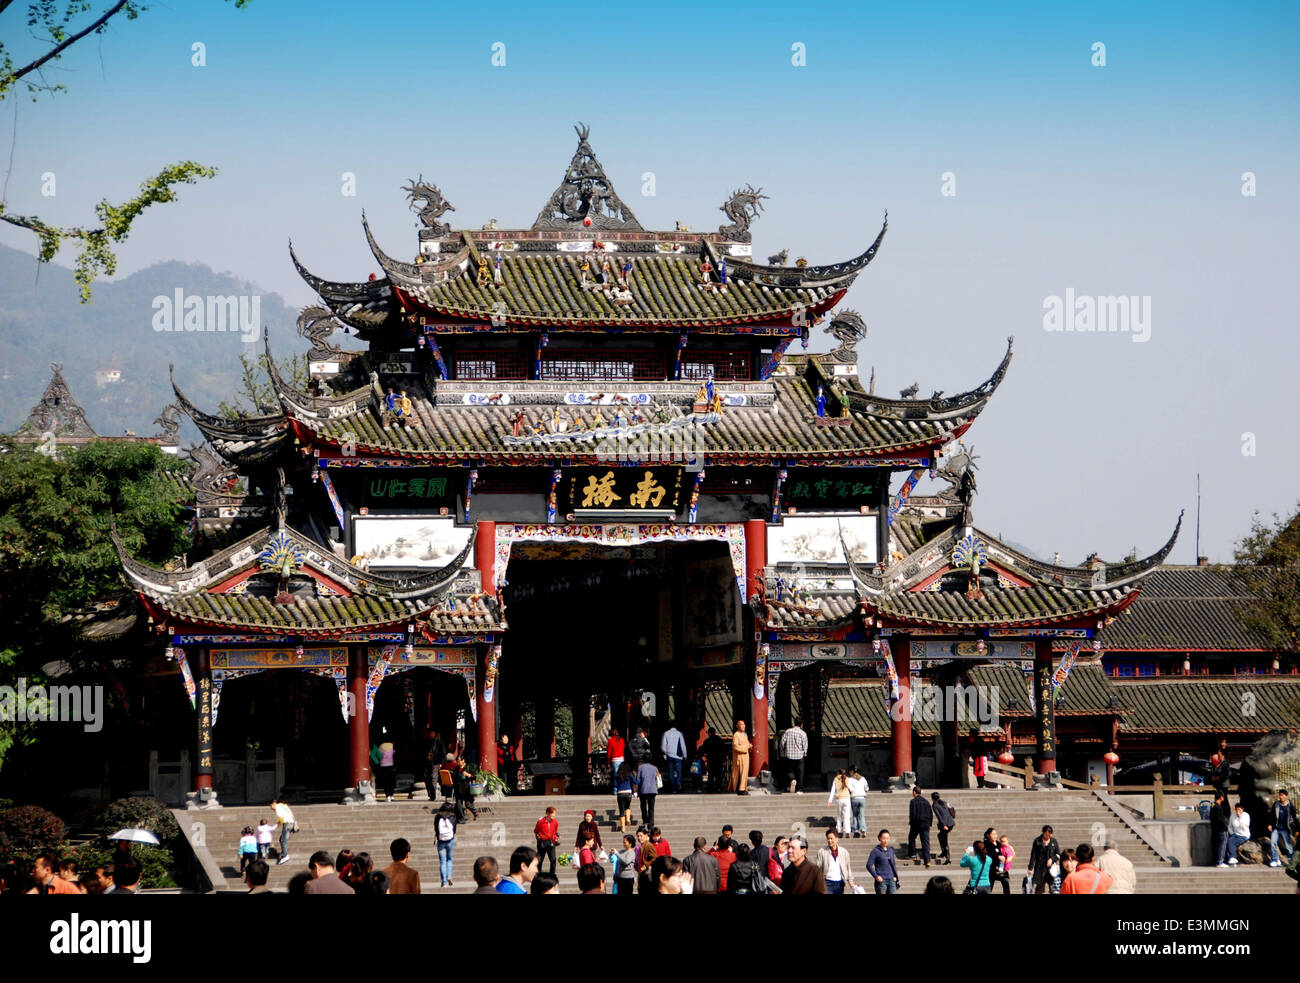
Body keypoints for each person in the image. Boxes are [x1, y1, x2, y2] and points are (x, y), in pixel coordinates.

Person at [816, 828, 856, 894]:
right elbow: (818, 868)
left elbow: (848, 868)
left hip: (840, 883)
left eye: (831, 838)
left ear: (837, 839)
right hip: (827, 882)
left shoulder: (844, 852)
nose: (829, 840)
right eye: (828, 839)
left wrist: (850, 880)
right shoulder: (822, 852)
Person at [1027, 825, 1062, 894]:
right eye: (1046, 834)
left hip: (1051, 868)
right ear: (1043, 833)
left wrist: (1052, 859)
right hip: (1040, 868)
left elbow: (1058, 854)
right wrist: (1030, 868)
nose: (1048, 836)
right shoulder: (1037, 841)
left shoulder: (1053, 841)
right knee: (1039, 889)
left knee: (1052, 888)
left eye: (1050, 834)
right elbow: (1033, 855)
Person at [1268, 789, 1297, 868]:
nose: (1281, 797)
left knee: (1288, 846)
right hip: (1276, 828)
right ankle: (1275, 859)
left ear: (1286, 796)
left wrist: (1297, 829)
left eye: (1283, 795)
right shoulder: (1276, 804)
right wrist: (1270, 824)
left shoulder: (1290, 805)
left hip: (1285, 829)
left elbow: (1294, 817)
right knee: (1273, 843)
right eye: (1280, 795)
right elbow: (1271, 814)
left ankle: (1291, 861)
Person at [866, 829, 900, 895]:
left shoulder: (891, 850)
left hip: (892, 880)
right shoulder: (875, 851)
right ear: (879, 838)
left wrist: (895, 876)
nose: (886, 840)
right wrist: (876, 876)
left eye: (887, 838)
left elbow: (893, 864)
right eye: (884, 838)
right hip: (881, 881)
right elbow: (868, 865)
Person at [907, 785, 933, 867]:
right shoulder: (926, 801)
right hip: (926, 824)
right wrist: (930, 823)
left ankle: (913, 855)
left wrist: (911, 823)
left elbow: (912, 814)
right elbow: (930, 813)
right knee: (925, 842)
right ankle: (927, 860)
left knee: (911, 838)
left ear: (914, 792)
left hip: (916, 824)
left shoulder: (913, 801)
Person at [780, 722, 809, 793]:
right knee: (800, 772)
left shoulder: (787, 731)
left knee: (789, 771)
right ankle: (800, 789)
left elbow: (782, 743)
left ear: (794, 723)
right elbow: (805, 745)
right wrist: (805, 753)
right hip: (799, 755)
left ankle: (792, 779)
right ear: (801, 724)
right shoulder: (803, 733)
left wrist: (783, 753)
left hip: (789, 755)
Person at [633, 757, 661, 827]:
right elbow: (658, 777)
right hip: (653, 790)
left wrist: (635, 790)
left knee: (643, 806)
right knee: (651, 807)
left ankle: (645, 820)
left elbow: (638, 780)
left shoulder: (640, 768)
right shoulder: (655, 768)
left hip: (643, 789)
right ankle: (651, 822)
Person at [435, 802, 457, 887]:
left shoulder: (437, 817)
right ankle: (449, 877)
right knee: (449, 859)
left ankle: (444, 882)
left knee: (442, 861)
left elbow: (436, 829)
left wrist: (438, 836)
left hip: (441, 841)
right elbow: (454, 829)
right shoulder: (453, 817)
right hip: (450, 840)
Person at [661, 721, 687, 793]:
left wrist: (666, 754)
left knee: (671, 772)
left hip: (669, 755)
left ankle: (673, 788)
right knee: (679, 771)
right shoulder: (679, 733)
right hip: (678, 756)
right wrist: (685, 756)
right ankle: (678, 782)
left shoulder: (666, 733)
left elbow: (663, 746)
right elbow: (683, 745)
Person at [534, 805, 560, 876]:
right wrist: (539, 838)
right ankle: (538, 875)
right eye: (553, 813)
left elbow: (555, 831)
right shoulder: (540, 822)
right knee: (540, 860)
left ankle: (552, 875)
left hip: (551, 842)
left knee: (553, 860)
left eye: (555, 813)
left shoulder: (555, 822)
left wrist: (555, 837)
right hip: (542, 843)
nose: (554, 815)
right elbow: (536, 831)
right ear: (548, 813)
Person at [701, 727, 728, 792]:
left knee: (711, 775)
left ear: (709, 733)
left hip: (710, 759)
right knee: (718, 775)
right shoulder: (720, 740)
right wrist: (723, 758)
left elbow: (703, 750)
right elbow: (724, 750)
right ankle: (718, 787)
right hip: (718, 759)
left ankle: (710, 788)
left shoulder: (707, 741)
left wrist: (704, 756)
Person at [932, 793, 955, 863]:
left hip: (946, 824)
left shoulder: (934, 805)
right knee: (940, 836)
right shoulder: (944, 802)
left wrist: (944, 825)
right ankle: (944, 852)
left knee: (944, 839)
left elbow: (939, 816)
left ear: (932, 798)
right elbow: (951, 809)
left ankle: (948, 857)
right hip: (951, 822)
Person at [1225, 802, 1251, 866]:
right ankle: (1230, 858)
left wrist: (1240, 818)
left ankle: (1233, 857)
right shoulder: (1232, 816)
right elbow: (1229, 826)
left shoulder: (1246, 815)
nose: (1237, 811)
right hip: (1235, 834)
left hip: (1244, 835)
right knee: (1227, 840)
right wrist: (1232, 833)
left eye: (1239, 809)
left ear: (1242, 809)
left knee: (1231, 842)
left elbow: (1245, 826)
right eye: (1236, 809)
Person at [1211, 790, 1233, 867]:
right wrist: (1226, 824)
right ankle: (1220, 861)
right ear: (1221, 797)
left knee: (1218, 845)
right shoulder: (1218, 807)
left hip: (1215, 829)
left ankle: (1218, 861)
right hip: (1221, 829)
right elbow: (1220, 819)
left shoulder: (1213, 805)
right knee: (1222, 845)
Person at [828, 769, 853, 835]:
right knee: (847, 816)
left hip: (839, 798)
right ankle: (847, 831)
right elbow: (851, 789)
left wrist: (830, 800)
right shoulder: (848, 779)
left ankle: (839, 830)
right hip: (846, 798)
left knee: (839, 815)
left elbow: (833, 790)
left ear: (838, 773)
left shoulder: (836, 779)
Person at [729, 720, 751, 794]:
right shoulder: (736, 735)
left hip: (745, 757)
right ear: (737, 726)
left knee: (745, 773)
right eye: (741, 725)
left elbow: (747, 743)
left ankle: (744, 788)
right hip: (739, 757)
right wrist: (746, 748)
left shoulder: (745, 734)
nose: (743, 726)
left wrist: (749, 746)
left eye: (744, 724)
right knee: (739, 773)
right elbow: (735, 747)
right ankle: (740, 789)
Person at [271, 798, 296, 865]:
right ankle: (283, 852)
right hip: (291, 823)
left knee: (283, 840)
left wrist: (278, 824)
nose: (271, 808)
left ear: (274, 803)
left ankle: (285, 855)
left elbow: (281, 817)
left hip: (287, 824)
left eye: (271, 806)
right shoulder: (283, 805)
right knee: (281, 838)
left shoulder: (277, 806)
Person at [634, 827, 658, 894]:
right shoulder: (641, 846)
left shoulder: (648, 845)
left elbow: (655, 858)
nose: (639, 838)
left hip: (647, 873)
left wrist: (646, 865)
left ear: (646, 835)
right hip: (641, 873)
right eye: (638, 836)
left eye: (641, 836)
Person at [848, 766, 869, 837]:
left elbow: (850, 789)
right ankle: (863, 830)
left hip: (854, 798)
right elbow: (866, 788)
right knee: (861, 815)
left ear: (852, 772)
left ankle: (856, 830)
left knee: (855, 815)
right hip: (862, 798)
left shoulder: (850, 779)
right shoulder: (863, 778)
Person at [614, 762, 635, 832]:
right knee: (627, 806)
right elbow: (636, 781)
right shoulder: (629, 774)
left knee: (621, 810)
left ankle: (623, 827)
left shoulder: (618, 775)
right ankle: (628, 819)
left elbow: (615, 785)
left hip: (620, 793)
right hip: (628, 792)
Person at [377, 734, 397, 800]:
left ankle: (387, 795)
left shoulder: (380, 746)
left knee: (385, 781)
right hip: (391, 765)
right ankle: (392, 794)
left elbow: (379, 756)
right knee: (391, 780)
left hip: (383, 765)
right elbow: (394, 754)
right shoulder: (392, 746)